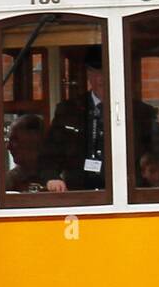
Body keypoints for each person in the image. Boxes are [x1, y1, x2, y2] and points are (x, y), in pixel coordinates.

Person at [38, 47, 108, 192]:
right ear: (87, 74)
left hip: (122, 196)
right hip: (78, 193)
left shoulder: (137, 111)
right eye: (94, 72)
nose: (100, 78)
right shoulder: (68, 110)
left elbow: (154, 157)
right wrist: (52, 178)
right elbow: (49, 154)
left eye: (104, 71)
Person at [3, 114, 44, 192]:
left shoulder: (57, 177)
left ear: (34, 139)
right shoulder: (7, 182)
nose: (8, 146)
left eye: (15, 139)